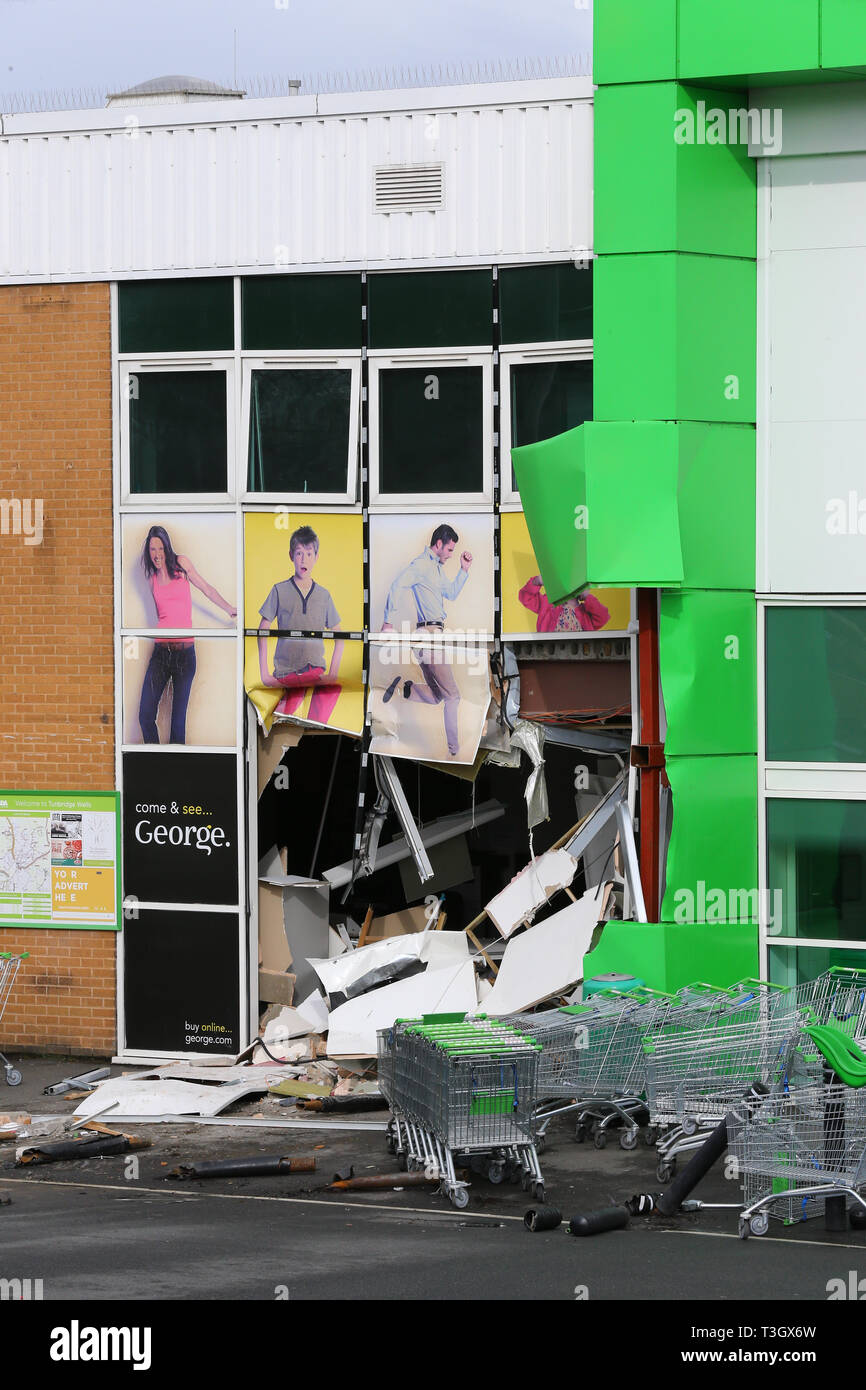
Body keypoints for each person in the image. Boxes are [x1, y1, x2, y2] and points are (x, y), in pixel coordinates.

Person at [380, 524, 473, 758]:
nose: (452, 554)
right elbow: (397, 585)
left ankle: (404, 688)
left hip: (425, 638)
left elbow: (450, 593)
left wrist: (463, 570)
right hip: (429, 635)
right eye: (450, 550)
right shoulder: (421, 565)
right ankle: (456, 753)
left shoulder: (436, 569)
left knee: (438, 695)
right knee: (453, 697)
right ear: (439, 544)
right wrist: (388, 622)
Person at [138, 525, 237, 744]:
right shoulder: (152, 577)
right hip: (161, 653)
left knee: (177, 726)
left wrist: (229, 608)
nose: (156, 554)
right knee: (145, 715)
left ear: (167, 547)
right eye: (152, 549)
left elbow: (207, 589)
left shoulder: (181, 564)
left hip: (185, 655)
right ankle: (156, 763)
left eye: (160, 548)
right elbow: (161, 614)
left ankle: (174, 771)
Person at [257, 525, 344, 726]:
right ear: (291, 555)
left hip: (314, 669)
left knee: (332, 689)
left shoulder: (324, 595)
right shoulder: (279, 590)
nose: (303, 559)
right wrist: (264, 674)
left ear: (316, 557)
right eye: (298, 554)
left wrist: (333, 672)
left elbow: (339, 636)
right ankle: (281, 720)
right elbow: (262, 630)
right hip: (286, 670)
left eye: (308, 554)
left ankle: (310, 727)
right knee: (285, 712)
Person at [518, 575, 610, 633]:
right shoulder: (547, 603)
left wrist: (587, 597)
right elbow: (525, 597)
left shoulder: (585, 613)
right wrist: (537, 581)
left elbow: (604, 616)